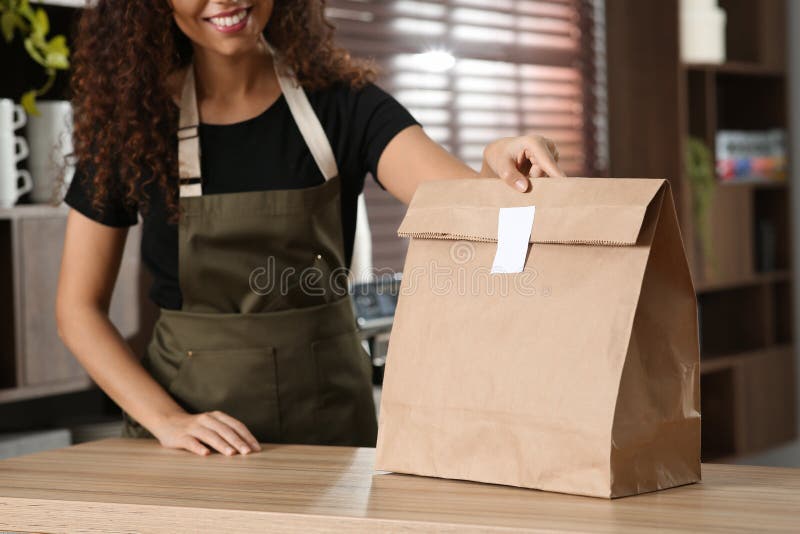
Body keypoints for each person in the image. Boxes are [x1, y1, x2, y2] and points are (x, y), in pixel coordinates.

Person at [56, 0, 566, 457]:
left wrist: (501, 164)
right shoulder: (134, 127)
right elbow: (77, 309)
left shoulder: (345, 104)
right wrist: (167, 420)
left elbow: (467, 207)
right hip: (193, 446)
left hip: (332, 430)